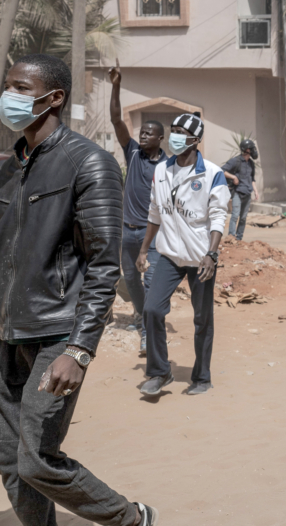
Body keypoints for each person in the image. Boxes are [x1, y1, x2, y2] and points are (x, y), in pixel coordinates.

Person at [0, 54, 158, 525]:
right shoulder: (8, 170)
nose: (8, 97)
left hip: (57, 336)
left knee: (36, 459)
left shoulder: (88, 163)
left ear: (53, 98)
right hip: (5, 337)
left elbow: (104, 265)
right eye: (8, 86)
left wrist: (80, 349)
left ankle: (129, 518)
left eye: (20, 88)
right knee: (8, 458)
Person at [137, 113, 230, 398]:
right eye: (173, 130)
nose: (175, 136)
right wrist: (144, 249)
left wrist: (211, 254)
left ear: (195, 139)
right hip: (169, 256)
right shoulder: (162, 170)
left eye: (181, 131)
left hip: (201, 259)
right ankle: (159, 371)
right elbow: (155, 212)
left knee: (202, 319)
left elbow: (218, 216)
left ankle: (202, 376)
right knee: (152, 310)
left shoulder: (212, 173)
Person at [108, 63, 166, 356]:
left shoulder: (168, 166)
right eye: (141, 132)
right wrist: (116, 85)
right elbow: (116, 119)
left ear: (160, 138)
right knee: (130, 280)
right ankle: (142, 316)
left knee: (151, 281)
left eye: (148, 134)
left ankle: (149, 332)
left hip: (152, 233)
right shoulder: (132, 153)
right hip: (127, 232)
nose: (142, 137)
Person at [222, 138, 259, 241]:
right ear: (247, 150)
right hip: (237, 192)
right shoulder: (236, 161)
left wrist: (256, 191)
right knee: (235, 215)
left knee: (243, 218)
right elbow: (222, 171)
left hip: (247, 193)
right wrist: (233, 177)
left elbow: (252, 179)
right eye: (252, 149)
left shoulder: (251, 163)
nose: (254, 151)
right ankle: (231, 237)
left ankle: (239, 238)